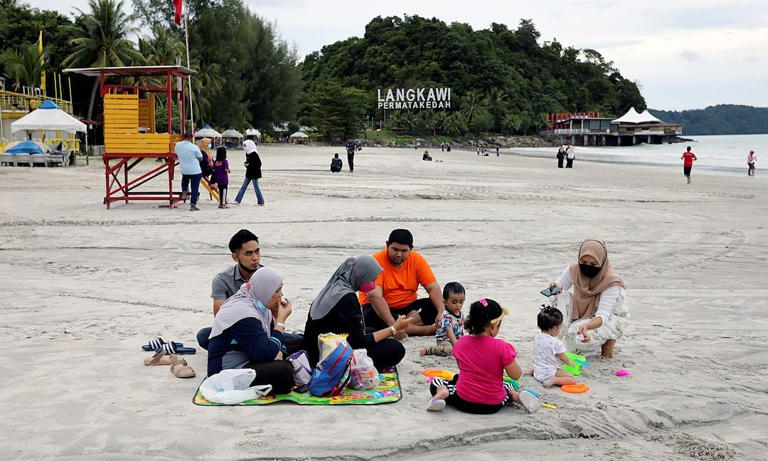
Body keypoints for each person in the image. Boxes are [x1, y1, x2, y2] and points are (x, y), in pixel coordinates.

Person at [426, 298, 539, 414]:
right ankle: (515, 396)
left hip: (464, 401)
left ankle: (441, 393)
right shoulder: (502, 347)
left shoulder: (461, 343)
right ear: (493, 325)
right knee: (507, 384)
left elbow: (461, 366)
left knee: (437, 382)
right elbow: (516, 375)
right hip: (493, 405)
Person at [303, 256, 411, 370]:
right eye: (371, 280)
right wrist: (394, 328)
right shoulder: (347, 297)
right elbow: (359, 342)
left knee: (371, 330)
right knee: (395, 349)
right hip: (327, 357)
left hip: (318, 346)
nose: (373, 284)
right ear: (361, 275)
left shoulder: (336, 286)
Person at [206, 267, 296, 395]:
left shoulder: (260, 304)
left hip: (250, 355)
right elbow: (265, 354)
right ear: (265, 290)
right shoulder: (243, 312)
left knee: (297, 344)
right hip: (226, 372)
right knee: (284, 372)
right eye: (277, 290)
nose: (281, 295)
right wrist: (280, 321)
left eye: (281, 289)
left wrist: (278, 351)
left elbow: (271, 339)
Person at [548, 238, 629, 359]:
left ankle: (609, 339)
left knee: (574, 335)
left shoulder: (611, 281)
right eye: (583, 262)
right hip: (585, 313)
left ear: (602, 262)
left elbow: (603, 315)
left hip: (609, 318)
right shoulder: (574, 270)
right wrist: (555, 287)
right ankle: (561, 336)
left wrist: (587, 326)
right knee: (557, 295)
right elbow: (560, 286)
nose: (587, 267)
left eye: (593, 264)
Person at [360, 229, 444, 337]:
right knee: (370, 313)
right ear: (387, 245)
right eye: (395, 249)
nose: (399, 254)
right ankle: (426, 330)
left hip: (408, 309)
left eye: (404, 251)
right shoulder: (376, 262)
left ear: (411, 249)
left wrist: (441, 312)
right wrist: (394, 326)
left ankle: (407, 325)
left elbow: (433, 288)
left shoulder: (417, 259)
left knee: (437, 304)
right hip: (379, 308)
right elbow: (374, 296)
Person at [196, 230, 263, 350]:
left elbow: (276, 314)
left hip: (262, 331)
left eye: (257, 251)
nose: (255, 258)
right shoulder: (222, 280)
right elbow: (220, 319)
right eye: (249, 253)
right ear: (235, 257)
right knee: (203, 335)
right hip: (234, 331)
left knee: (295, 340)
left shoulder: (266, 276)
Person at [523, 306, 577, 387]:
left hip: (538, 371)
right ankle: (554, 380)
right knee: (572, 379)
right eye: (560, 327)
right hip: (549, 373)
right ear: (554, 328)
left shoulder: (537, 337)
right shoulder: (556, 342)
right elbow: (563, 358)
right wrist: (570, 363)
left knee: (542, 363)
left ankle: (532, 371)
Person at [419, 282, 465, 357]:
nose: (458, 305)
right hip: (445, 340)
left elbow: (463, 324)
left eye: (461, 302)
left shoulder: (461, 313)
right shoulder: (446, 316)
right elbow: (449, 332)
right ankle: (428, 350)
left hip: (457, 339)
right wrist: (457, 345)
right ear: (445, 302)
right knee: (448, 349)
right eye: (454, 302)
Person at [174, 131, 203, 211]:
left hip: (184, 169)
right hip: (195, 170)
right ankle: (192, 205)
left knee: (185, 179)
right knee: (194, 188)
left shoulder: (178, 145)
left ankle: (184, 191)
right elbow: (201, 158)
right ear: (191, 138)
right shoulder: (194, 147)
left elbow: (176, 153)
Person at [233, 139, 265, 206]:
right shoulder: (247, 153)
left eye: (245, 145)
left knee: (256, 188)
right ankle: (237, 200)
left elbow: (259, 164)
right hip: (249, 173)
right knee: (243, 187)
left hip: (255, 173)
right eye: (244, 145)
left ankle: (261, 201)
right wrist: (246, 164)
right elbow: (249, 162)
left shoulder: (254, 154)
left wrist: (249, 165)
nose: (244, 147)